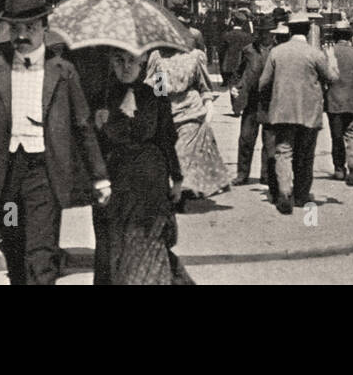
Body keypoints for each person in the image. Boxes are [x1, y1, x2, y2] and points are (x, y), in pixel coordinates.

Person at [0, 0, 110, 286]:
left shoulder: (63, 71)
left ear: (44, 27)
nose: (22, 35)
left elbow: (82, 126)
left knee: (40, 255)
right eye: (15, 28)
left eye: (30, 27)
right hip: (7, 179)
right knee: (14, 249)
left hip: (44, 175)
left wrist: (100, 176)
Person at [91, 49, 183, 285]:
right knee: (113, 245)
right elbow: (90, 146)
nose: (126, 67)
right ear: (111, 62)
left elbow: (166, 137)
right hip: (115, 181)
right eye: (119, 60)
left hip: (149, 182)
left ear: (142, 63)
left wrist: (177, 178)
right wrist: (97, 126)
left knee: (148, 240)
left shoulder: (157, 94)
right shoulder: (101, 98)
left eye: (132, 61)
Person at [258, 12, 340, 214]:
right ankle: (302, 196)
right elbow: (332, 78)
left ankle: (284, 192)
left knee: (284, 152)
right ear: (307, 30)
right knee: (305, 155)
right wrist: (332, 59)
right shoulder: (315, 54)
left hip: (282, 113)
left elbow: (263, 83)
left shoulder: (277, 52)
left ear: (290, 29)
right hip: (309, 113)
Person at [147, 40, 232, 206]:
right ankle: (175, 190)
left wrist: (208, 104)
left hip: (191, 112)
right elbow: (155, 89)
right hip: (166, 112)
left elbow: (204, 86)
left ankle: (181, 192)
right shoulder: (157, 57)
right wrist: (162, 87)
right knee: (166, 154)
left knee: (183, 154)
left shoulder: (194, 56)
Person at [231, 20, 283, 187]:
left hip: (270, 102)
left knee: (270, 142)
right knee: (246, 139)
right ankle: (242, 174)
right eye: (261, 32)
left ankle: (266, 175)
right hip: (251, 101)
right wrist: (236, 87)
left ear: (272, 34)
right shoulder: (248, 50)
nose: (264, 36)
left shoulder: (278, 51)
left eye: (267, 32)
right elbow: (238, 72)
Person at [323, 18, 353, 185]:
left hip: (334, 102)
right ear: (350, 37)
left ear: (335, 37)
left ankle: (338, 169)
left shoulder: (327, 54)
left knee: (336, 136)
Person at [220, 11, 251, 115]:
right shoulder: (247, 37)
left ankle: (235, 106)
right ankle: (239, 105)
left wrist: (222, 68)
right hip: (243, 64)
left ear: (233, 22)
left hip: (229, 65)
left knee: (232, 85)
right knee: (241, 85)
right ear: (243, 23)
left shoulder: (227, 35)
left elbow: (221, 52)